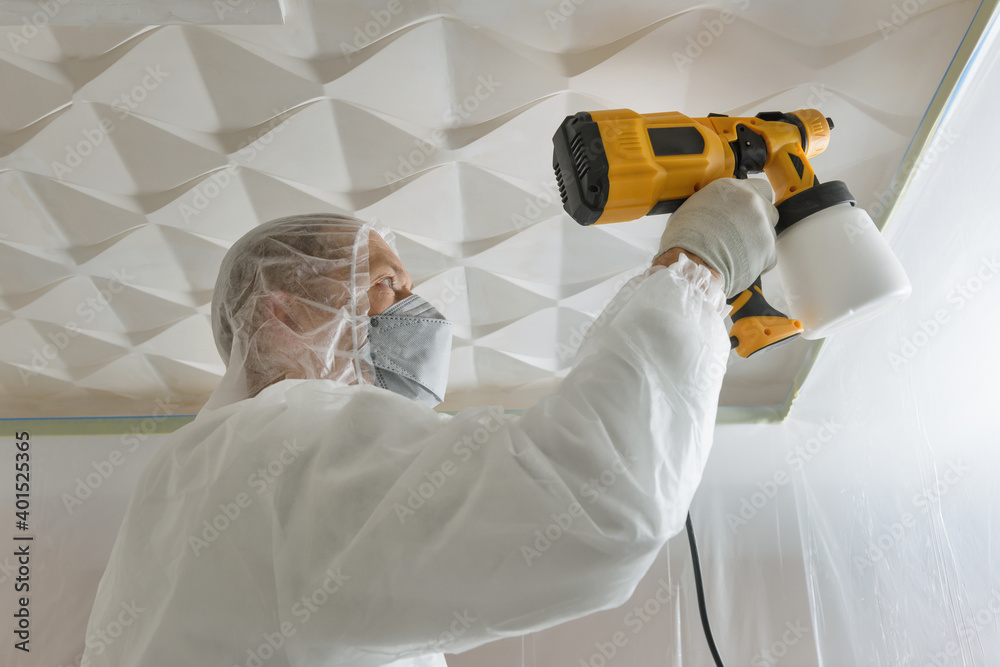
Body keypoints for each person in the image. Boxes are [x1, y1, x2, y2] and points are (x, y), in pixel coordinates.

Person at [80, 178, 779, 667]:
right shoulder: (279, 443)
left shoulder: (174, 494)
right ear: (285, 311)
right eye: (387, 284)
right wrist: (695, 270)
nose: (418, 316)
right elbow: (597, 498)